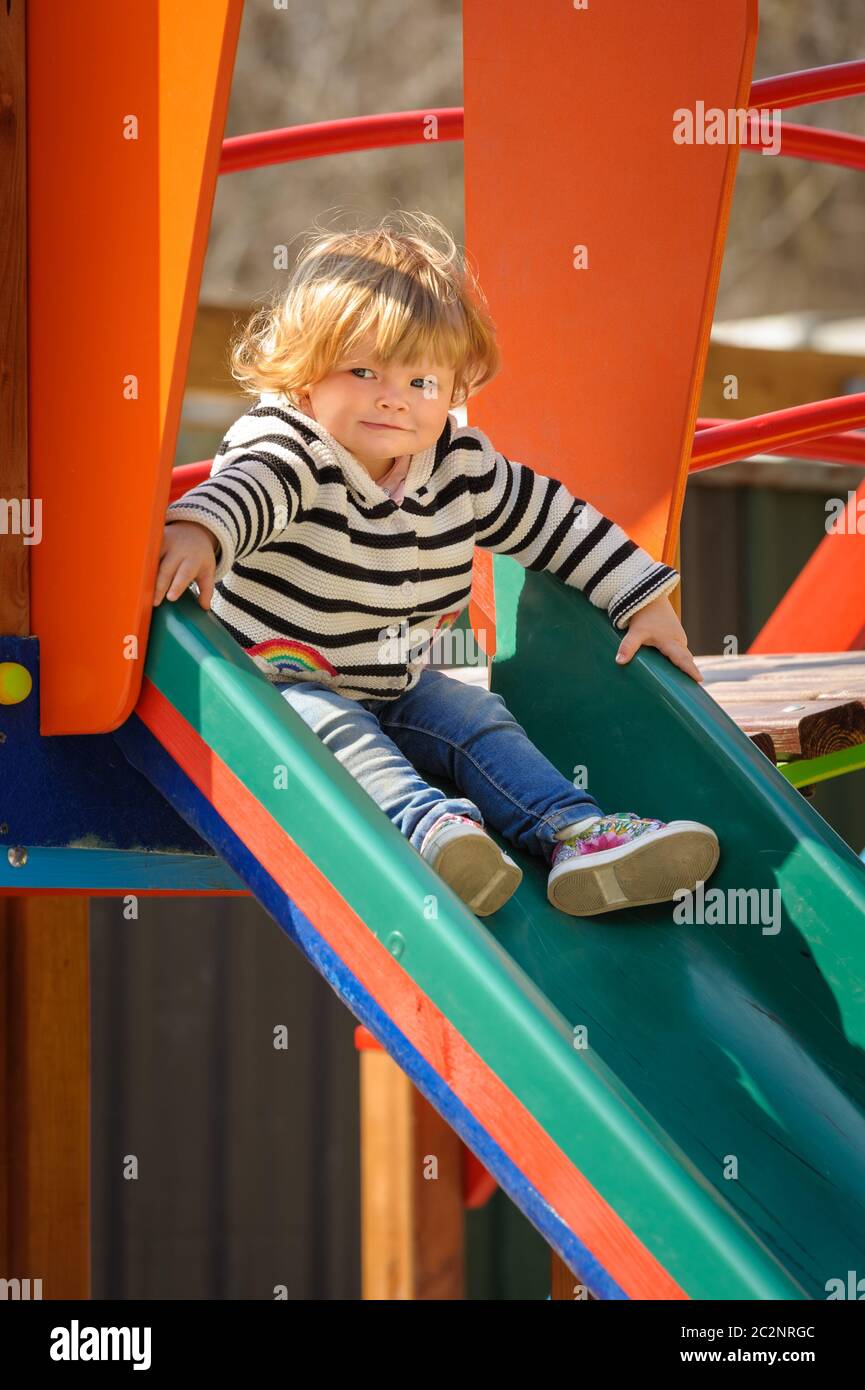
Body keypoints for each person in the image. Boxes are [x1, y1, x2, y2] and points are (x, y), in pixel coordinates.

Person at [154, 210, 719, 918]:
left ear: (452, 392)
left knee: (475, 714)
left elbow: (554, 521)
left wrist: (639, 598)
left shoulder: (458, 467)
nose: (392, 396)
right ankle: (432, 834)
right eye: (362, 371)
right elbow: (247, 488)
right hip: (275, 685)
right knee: (334, 731)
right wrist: (201, 532)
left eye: (421, 382)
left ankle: (573, 831)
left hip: (393, 678)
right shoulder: (296, 451)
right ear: (305, 378)